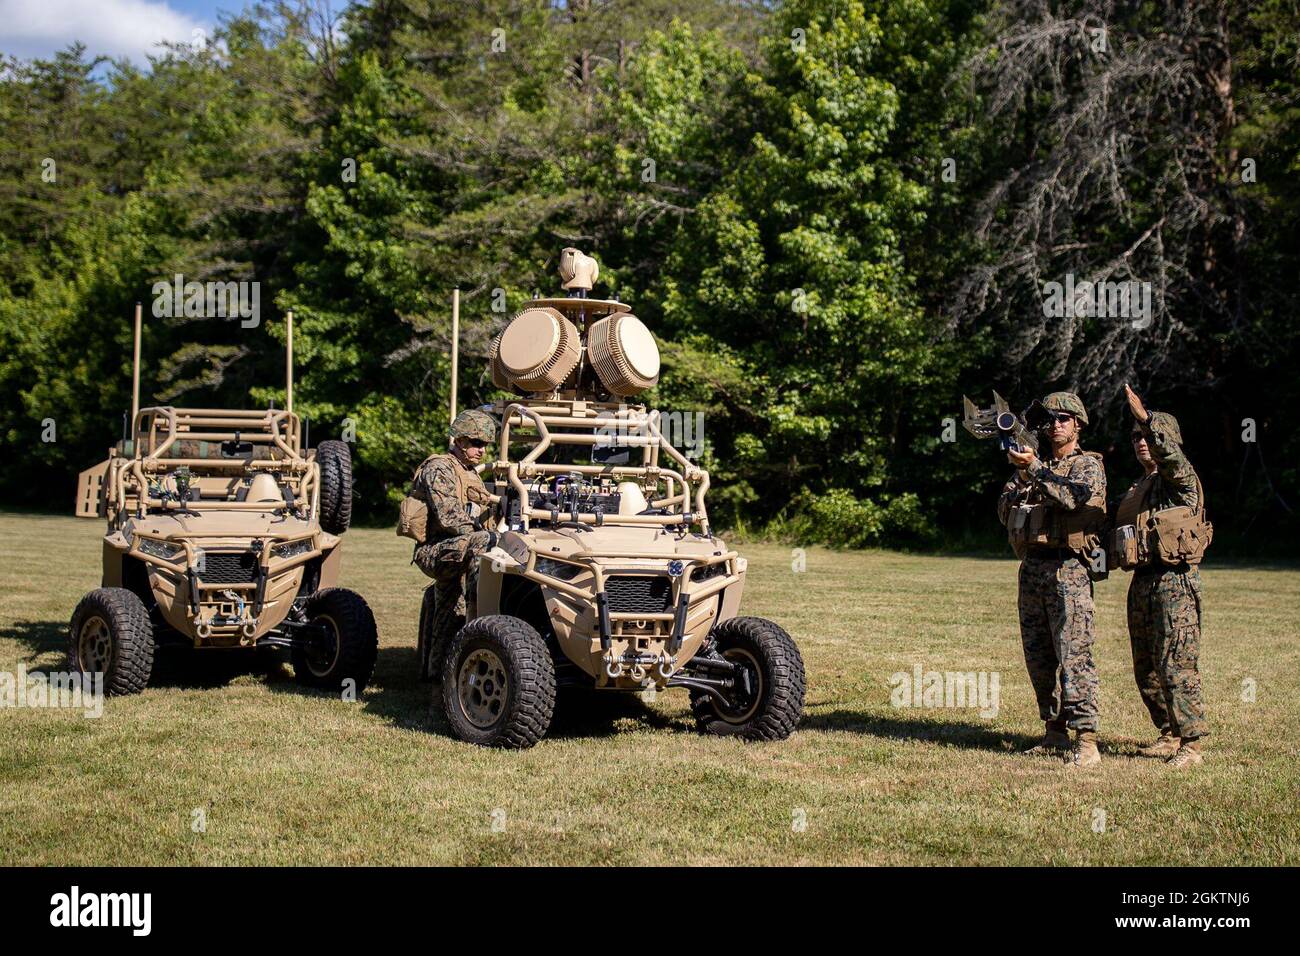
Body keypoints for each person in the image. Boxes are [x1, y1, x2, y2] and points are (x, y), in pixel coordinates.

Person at [997, 392, 1108, 767]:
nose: (1056, 425)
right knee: (1039, 655)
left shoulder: (1087, 465)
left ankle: (1087, 739)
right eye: (1052, 420)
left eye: (1064, 419)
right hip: (1032, 568)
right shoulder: (1030, 467)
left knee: (1074, 654)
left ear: (1077, 424)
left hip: (1068, 570)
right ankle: (1054, 730)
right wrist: (1022, 471)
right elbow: (1003, 508)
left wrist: (1037, 471)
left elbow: (1073, 498)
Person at [1114, 384, 1211, 769]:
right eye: (1136, 436)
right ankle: (1168, 731)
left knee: (1177, 663)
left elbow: (1171, 458)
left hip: (1175, 582)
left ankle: (1192, 743)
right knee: (1146, 666)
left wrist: (1147, 419)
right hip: (1143, 581)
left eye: (1148, 436)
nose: (1141, 441)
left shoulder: (1181, 479)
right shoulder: (1138, 488)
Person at [412, 409, 498, 686]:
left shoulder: (468, 472)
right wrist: (489, 535)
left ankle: (436, 674)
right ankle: (479, 625)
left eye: (485, 445)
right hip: (435, 550)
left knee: (448, 611)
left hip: (455, 547)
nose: (481, 450)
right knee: (485, 542)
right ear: (459, 441)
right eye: (476, 443)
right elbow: (449, 516)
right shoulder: (439, 468)